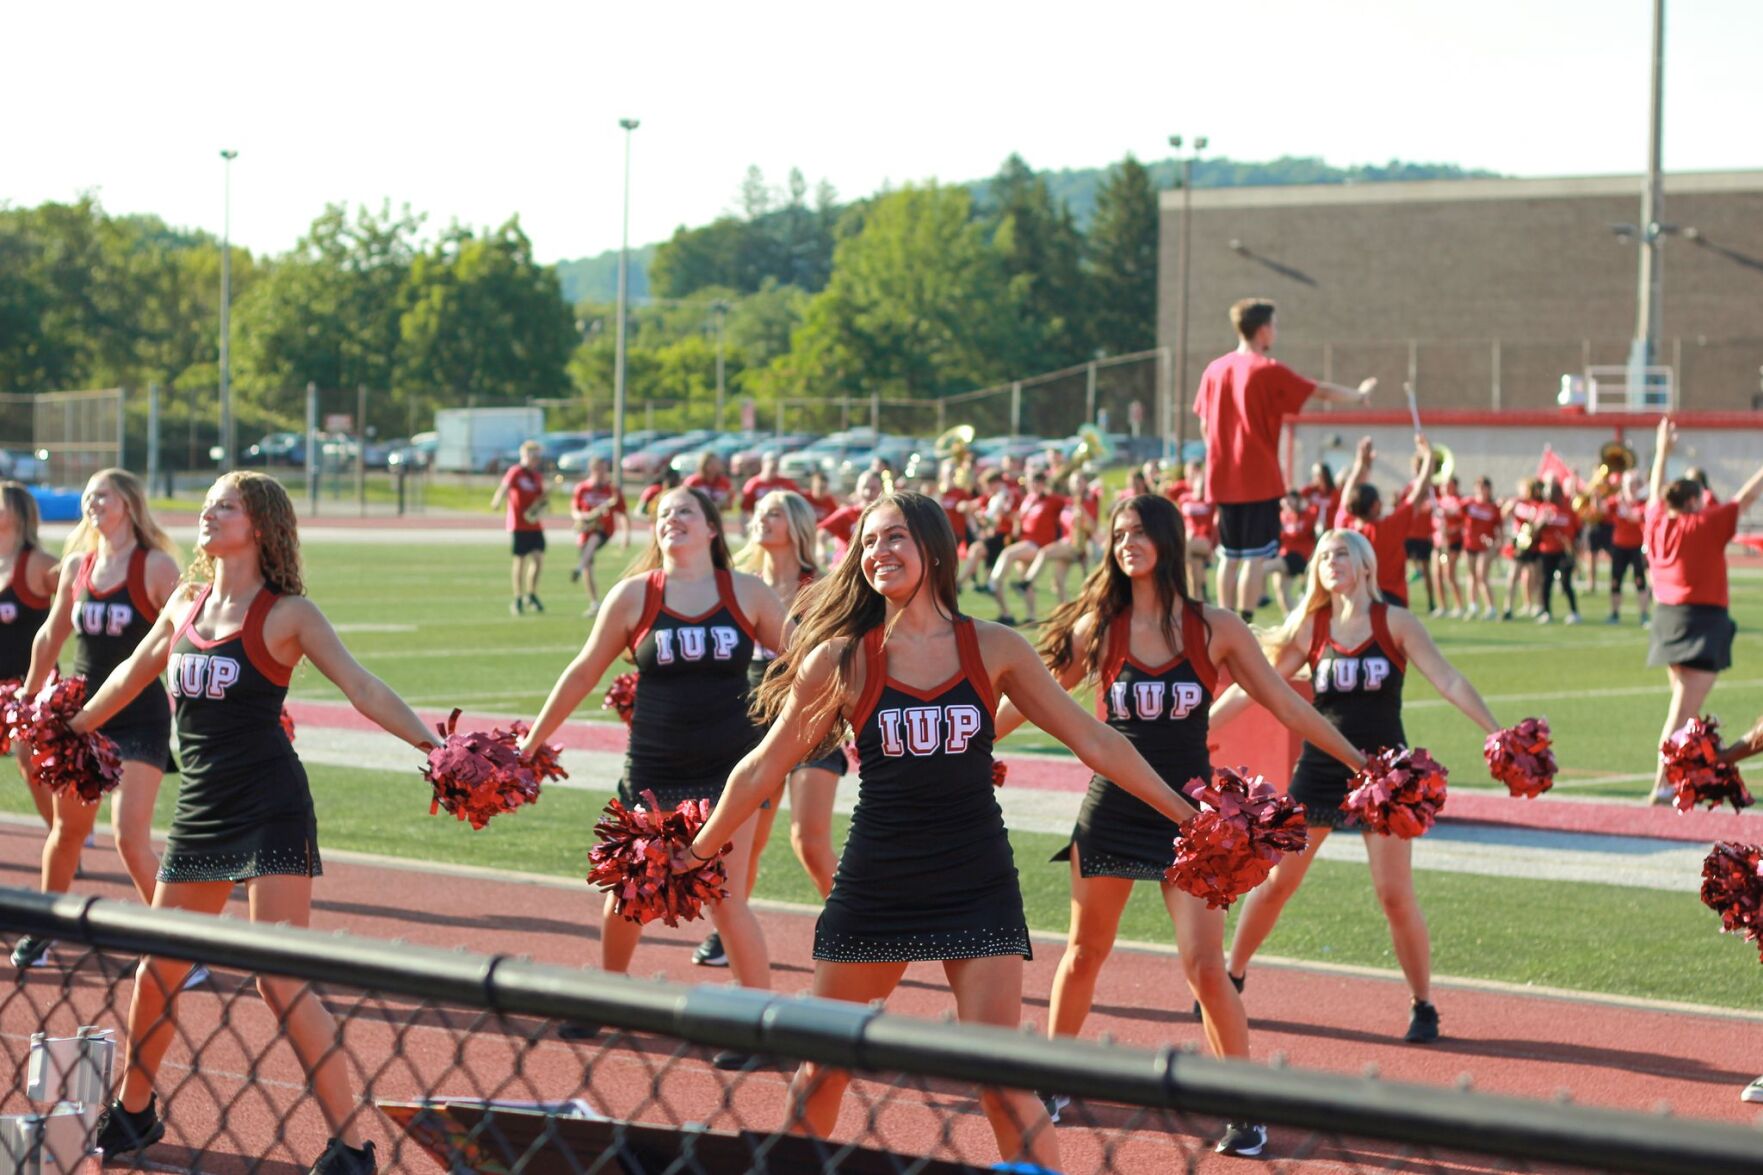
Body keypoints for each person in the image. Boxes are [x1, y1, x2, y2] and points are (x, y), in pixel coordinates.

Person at [683, 492, 1200, 1170]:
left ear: (931, 547)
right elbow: (761, 767)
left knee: (1001, 1081)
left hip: (974, 876)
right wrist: (692, 851)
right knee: (824, 1069)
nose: (877, 552)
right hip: (877, 878)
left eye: (894, 537)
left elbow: (1094, 740)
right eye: (867, 542)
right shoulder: (840, 658)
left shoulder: (993, 646)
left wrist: (1189, 817)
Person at [78, 471, 435, 1173]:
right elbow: (130, 674)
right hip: (203, 810)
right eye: (209, 504)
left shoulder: (288, 613)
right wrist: (74, 722)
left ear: (262, 525)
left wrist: (436, 747)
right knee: (158, 969)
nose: (210, 514)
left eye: (227, 505)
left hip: (270, 805)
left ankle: (349, 1144)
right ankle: (135, 1109)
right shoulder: (185, 601)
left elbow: (361, 686)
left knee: (280, 975)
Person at [997, 493, 1365, 1159]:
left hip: (1194, 815)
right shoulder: (1098, 626)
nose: (1126, 541)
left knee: (1202, 965)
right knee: (1083, 951)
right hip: (1112, 805)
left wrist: (1357, 759)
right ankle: (1052, 1077)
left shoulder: (1213, 626)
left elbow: (1283, 701)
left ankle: (1242, 1107)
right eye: (1117, 533)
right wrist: (969, 741)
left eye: (1138, 531)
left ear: (1167, 539)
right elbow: (1033, 697)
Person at [518, 486, 788, 1062]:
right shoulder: (635, 596)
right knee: (627, 891)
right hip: (653, 770)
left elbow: (801, 666)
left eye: (685, 511)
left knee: (726, 898)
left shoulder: (747, 592)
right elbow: (584, 670)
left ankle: (760, 1025)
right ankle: (610, 998)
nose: (673, 520)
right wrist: (531, 742)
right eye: (664, 515)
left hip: (730, 773)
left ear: (713, 529)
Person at [1213, 528, 1503, 1043]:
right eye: (1323, 555)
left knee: (1393, 894)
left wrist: (1494, 730)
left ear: (1365, 562)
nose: (1331, 562)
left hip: (1387, 775)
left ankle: (1423, 1004)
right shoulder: (1312, 626)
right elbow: (1257, 686)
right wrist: (1202, 724)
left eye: (1341, 553)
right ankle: (1231, 975)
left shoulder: (1395, 622)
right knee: (1279, 882)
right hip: (1319, 770)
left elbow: (1448, 678)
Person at [11, 470, 181, 972]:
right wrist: (28, 692)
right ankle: (46, 927)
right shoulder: (78, 567)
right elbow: (50, 634)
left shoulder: (155, 566)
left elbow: (185, 636)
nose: (92, 501)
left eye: (102, 494)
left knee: (129, 836)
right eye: (88, 494)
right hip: (83, 719)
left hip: (140, 717)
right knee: (67, 831)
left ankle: (178, 944)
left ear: (128, 504)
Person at [692, 490, 844, 971]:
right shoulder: (741, 584)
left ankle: (854, 923)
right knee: (746, 840)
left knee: (809, 839)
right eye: (757, 513)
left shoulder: (821, 586)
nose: (761, 520)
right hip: (753, 718)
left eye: (773, 513)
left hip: (812, 717)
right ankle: (727, 929)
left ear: (796, 525)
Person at [1193, 298, 1374, 621]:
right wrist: (1358, 394)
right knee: (1253, 558)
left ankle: (1221, 622)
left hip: (1222, 477)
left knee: (1229, 556)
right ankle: (1244, 623)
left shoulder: (1214, 370)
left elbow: (1205, 424)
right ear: (1262, 330)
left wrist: (1221, 454)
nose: (1276, 331)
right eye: (1274, 325)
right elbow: (1319, 391)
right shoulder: (1267, 369)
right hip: (1258, 477)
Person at [1644, 416, 1763, 804]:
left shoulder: (1657, 521)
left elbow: (1651, 494)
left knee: (1684, 710)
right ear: (1694, 501)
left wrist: (1662, 453)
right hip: (1700, 621)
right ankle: (1662, 782)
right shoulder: (1702, 524)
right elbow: (1744, 499)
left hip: (1666, 619)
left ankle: (1679, 774)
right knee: (1680, 714)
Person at [0, 481, 58, 828]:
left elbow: (80, 589)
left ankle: (62, 834)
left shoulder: (37, 563)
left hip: (29, 683)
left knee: (29, 761)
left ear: (17, 514)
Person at [1335, 435, 1433, 608]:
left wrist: (1361, 463)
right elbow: (1420, 490)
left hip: (1357, 601)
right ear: (1374, 506)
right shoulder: (1389, 527)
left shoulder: (1344, 528)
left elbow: (1348, 493)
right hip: (1390, 603)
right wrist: (1429, 455)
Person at [990, 469, 1067, 627]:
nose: (1032, 485)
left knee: (1008, 553)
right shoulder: (1028, 500)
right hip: (1026, 542)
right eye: (1030, 482)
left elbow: (1068, 507)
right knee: (1025, 579)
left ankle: (992, 583)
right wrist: (1008, 515)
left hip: (1039, 545)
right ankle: (1029, 616)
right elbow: (1020, 521)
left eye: (1035, 481)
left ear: (1042, 483)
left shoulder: (1052, 500)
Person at [490, 440, 547, 615]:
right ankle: (518, 597)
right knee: (520, 561)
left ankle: (531, 594)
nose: (536, 459)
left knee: (538, 560)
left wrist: (543, 503)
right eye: (533, 456)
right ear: (525, 456)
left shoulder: (537, 476)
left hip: (534, 524)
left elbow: (541, 499)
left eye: (538, 456)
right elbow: (504, 487)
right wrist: (497, 499)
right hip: (518, 524)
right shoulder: (516, 472)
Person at [568, 457, 628, 616]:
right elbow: (574, 511)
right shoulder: (582, 488)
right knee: (588, 565)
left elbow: (623, 513)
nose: (602, 473)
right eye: (599, 470)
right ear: (592, 470)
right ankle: (594, 603)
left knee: (594, 539)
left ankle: (578, 568)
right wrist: (585, 517)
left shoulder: (612, 489)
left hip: (604, 530)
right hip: (585, 528)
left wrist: (626, 536)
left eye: (604, 469)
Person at [1532, 475, 1581, 625]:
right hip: (1547, 550)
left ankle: (1574, 612)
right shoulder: (1543, 509)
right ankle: (1546, 611)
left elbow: (1577, 530)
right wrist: (1542, 522)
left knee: (1566, 582)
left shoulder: (1568, 509)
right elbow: (1534, 531)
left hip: (1564, 550)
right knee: (1546, 582)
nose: (1548, 495)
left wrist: (1574, 549)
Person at [1605, 470, 1650, 626]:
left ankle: (1644, 614)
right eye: (1628, 484)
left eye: (1634, 484)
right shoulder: (1615, 501)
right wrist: (1597, 496)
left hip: (1637, 547)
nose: (1631, 487)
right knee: (1615, 582)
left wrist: (1623, 504)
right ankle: (1614, 613)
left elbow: (1635, 517)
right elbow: (1600, 511)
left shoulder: (1642, 503)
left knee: (1640, 582)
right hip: (1619, 546)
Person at [1501, 478, 1545, 620]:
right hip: (1519, 544)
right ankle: (1508, 607)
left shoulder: (1538, 505)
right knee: (1513, 576)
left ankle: (1538, 605)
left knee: (1536, 577)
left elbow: (1538, 525)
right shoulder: (1518, 503)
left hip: (1533, 545)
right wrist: (1507, 506)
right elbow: (1505, 513)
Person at [818, 470, 884, 564]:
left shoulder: (885, 517)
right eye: (864, 487)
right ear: (857, 488)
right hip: (846, 570)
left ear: (881, 490)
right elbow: (822, 534)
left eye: (873, 488)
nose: (867, 493)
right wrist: (821, 550)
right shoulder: (847, 514)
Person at [1461, 477, 1502, 621]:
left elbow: (1499, 527)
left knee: (1481, 575)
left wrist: (1498, 544)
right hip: (1470, 544)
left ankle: (1491, 608)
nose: (1481, 490)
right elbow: (1455, 511)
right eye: (1478, 487)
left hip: (1485, 546)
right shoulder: (1469, 503)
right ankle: (1473, 606)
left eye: (1483, 487)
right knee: (1471, 575)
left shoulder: (1493, 507)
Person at [1271, 489, 1317, 614]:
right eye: (1285, 500)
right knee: (1280, 590)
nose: (1287, 503)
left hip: (1300, 556)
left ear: (1297, 500)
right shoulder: (1283, 516)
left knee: (1264, 567)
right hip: (1285, 556)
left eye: (1290, 499)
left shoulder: (1308, 514)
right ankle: (1290, 618)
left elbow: (1308, 532)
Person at [1430, 476, 1467, 618]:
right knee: (1436, 575)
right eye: (1444, 485)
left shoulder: (1458, 502)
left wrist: (1451, 529)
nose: (1445, 488)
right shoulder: (1438, 501)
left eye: (1448, 485)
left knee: (1449, 575)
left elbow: (1464, 523)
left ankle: (1459, 605)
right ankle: (1442, 606)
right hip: (1438, 542)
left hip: (1452, 543)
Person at [739, 452, 799, 517]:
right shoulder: (753, 484)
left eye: (776, 465)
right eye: (772, 467)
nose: (775, 466)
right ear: (763, 464)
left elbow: (796, 503)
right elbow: (746, 509)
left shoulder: (786, 483)